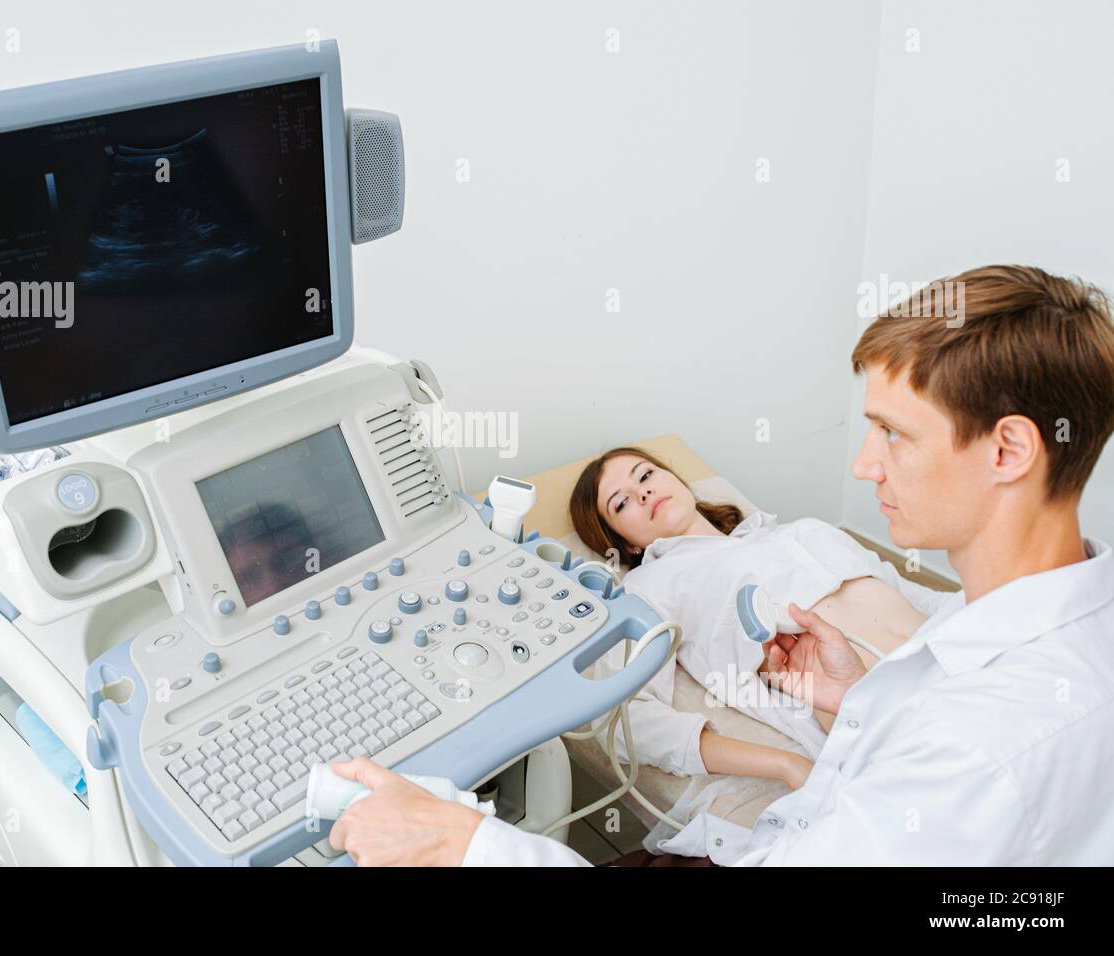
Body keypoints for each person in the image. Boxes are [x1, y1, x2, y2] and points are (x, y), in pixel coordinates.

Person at [328, 265, 1114, 866]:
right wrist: (855, 703)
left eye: (894, 434)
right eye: (621, 501)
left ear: (1008, 450)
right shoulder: (1030, 628)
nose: (864, 465)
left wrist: (465, 843)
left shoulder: (972, 752)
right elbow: (634, 717)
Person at [568, 445, 949, 787]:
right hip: (887, 713)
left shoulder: (788, 530)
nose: (643, 493)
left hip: (953, 651)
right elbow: (622, 721)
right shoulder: (651, 585)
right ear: (625, 544)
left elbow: (913, 594)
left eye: (646, 475)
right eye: (622, 503)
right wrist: (785, 764)